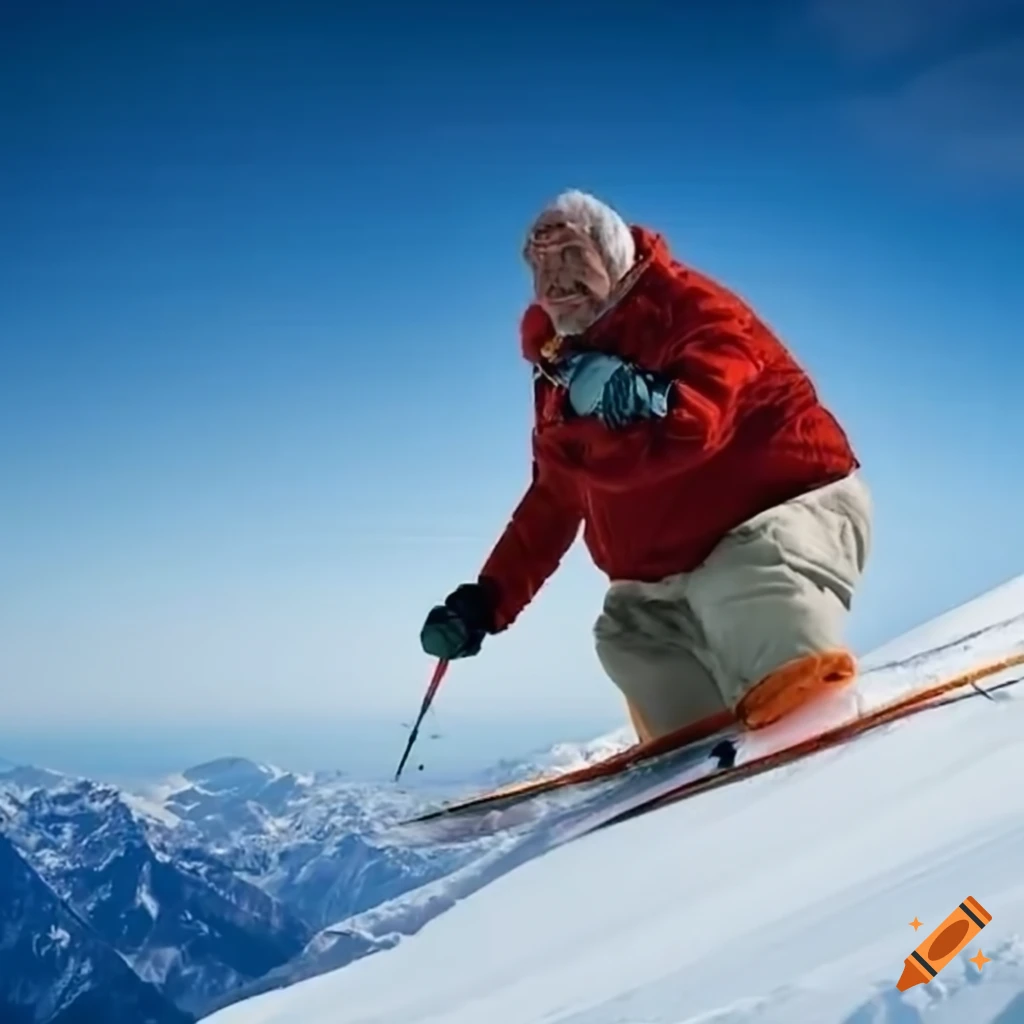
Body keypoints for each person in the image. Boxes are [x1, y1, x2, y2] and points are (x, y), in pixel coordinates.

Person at [420, 190, 871, 744]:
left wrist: (647, 395)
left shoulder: (697, 312)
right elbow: (557, 496)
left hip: (784, 510)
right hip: (666, 563)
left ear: (613, 256)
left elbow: (698, 425)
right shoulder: (561, 366)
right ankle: (693, 747)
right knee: (629, 633)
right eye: (540, 267)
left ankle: (809, 711)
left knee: (744, 584)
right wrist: (488, 599)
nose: (555, 282)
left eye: (569, 258)